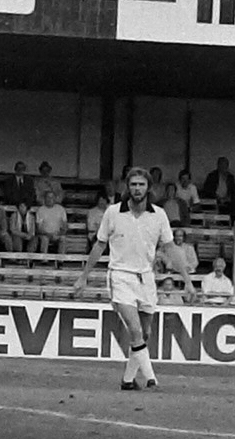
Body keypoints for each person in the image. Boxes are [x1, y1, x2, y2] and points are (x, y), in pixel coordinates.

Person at [74, 167, 193, 390]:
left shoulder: (158, 215)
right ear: (127, 187)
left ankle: (128, 380)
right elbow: (100, 244)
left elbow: (171, 248)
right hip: (120, 275)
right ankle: (152, 379)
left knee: (144, 333)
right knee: (135, 329)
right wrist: (84, 276)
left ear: (148, 187)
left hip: (146, 277)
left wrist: (187, 280)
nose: (137, 189)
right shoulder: (113, 212)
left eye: (141, 184)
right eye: (133, 184)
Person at [34, 189, 69, 254]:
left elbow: (65, 225)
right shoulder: (40, 210)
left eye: (52, 197)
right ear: (45, 198)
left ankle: (60, 260)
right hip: (45, 234)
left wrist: (60, 233)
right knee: (44, 239)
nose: (50, 199)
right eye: (48, 197)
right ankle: (44, 260)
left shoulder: (61, 209)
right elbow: (39, 228)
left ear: (55, 198)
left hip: (57, 234)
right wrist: (47, 234)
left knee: (63, 238)